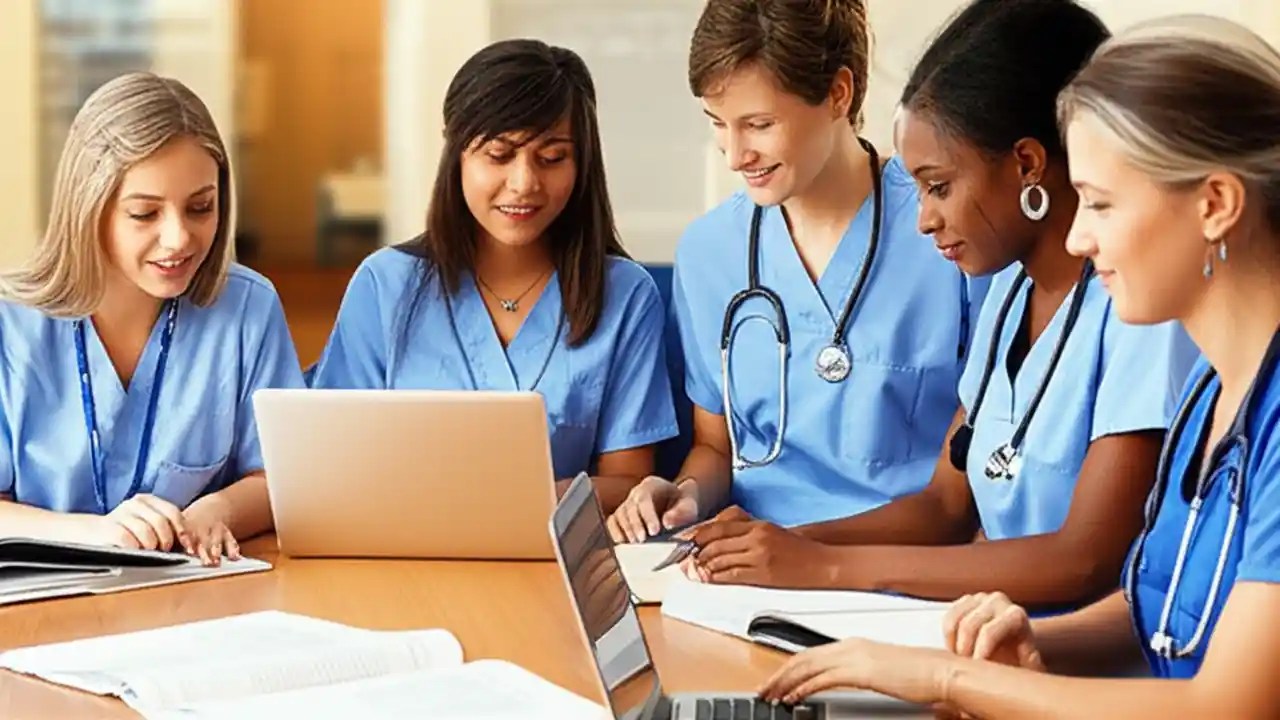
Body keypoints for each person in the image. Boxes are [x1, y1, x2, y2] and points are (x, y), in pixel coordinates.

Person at [756, 15, 1280, 716]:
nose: (1080, 232)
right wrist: (1022, 641)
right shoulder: (1210, 392)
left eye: (1098, 203)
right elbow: (1154, 605)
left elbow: (1228, 706)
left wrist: (948, 679)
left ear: (1215, 204)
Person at [677, 0, 1199, 610]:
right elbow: (945, 507)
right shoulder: (1009, 292)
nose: (921, 218)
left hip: (1069, 657)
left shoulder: (1138, 308)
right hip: (981, 631)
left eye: (939, 186)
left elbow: (1083, 560)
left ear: (1027, 163)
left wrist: (828, 564)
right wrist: (773, 548)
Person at [606, 0, 987, 541]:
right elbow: (717, 448)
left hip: (903, 574)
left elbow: (957, 500)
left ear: (839, 93)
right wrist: (686, 495)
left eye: (759, 124)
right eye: (718, 124)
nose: (736, 155)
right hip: (749, 569)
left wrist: (798, 551)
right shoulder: (709, 252)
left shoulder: (947, 230)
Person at [309, 39, 678, 513]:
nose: (525, 183)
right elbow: (332, 459)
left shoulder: (624, 295)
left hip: (548, 556)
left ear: (581, 163)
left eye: (551, 157)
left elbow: (628, 480)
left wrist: (524, 504)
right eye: (499, 155)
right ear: (457, 155)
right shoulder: (385, 285)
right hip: (403, 551)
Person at [0, 72, 305, 565]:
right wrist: (94, 533)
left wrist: (219, 510)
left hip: (200, 601)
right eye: (145, 214)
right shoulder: (9, 324)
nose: (179, 238)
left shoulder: (248, 309)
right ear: (89, 207)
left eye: (200, 207)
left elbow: (286, 473)